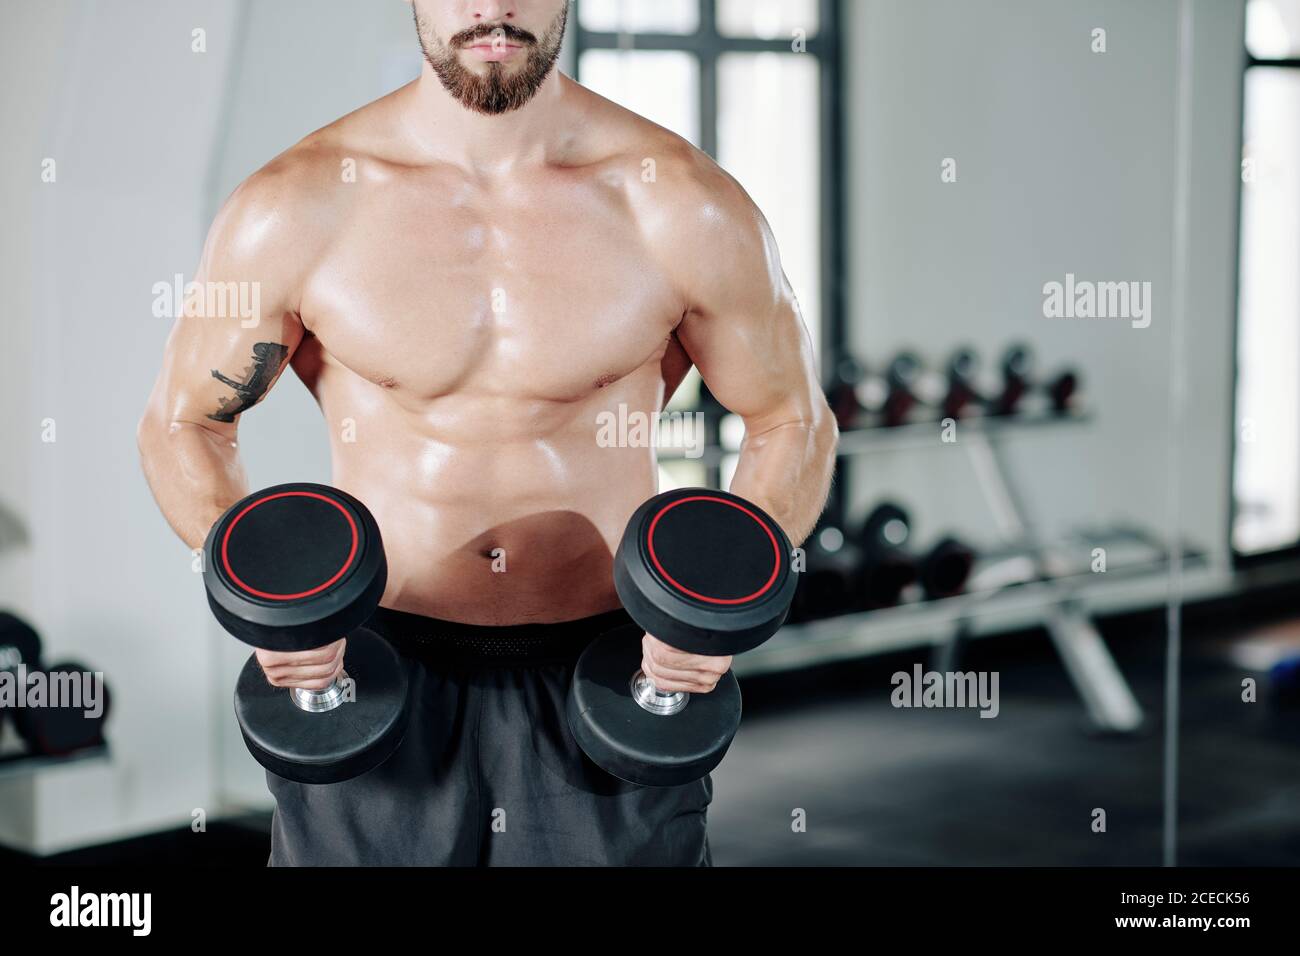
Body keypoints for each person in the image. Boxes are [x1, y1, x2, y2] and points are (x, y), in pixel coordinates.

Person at [138, 0, 837, 866]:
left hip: (609, 671)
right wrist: (276, 610)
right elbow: (184, 423)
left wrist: (712, 619)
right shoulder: (299, 205)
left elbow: (793, 419)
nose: (491, 6)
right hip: (373, 668)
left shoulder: (682, 203)